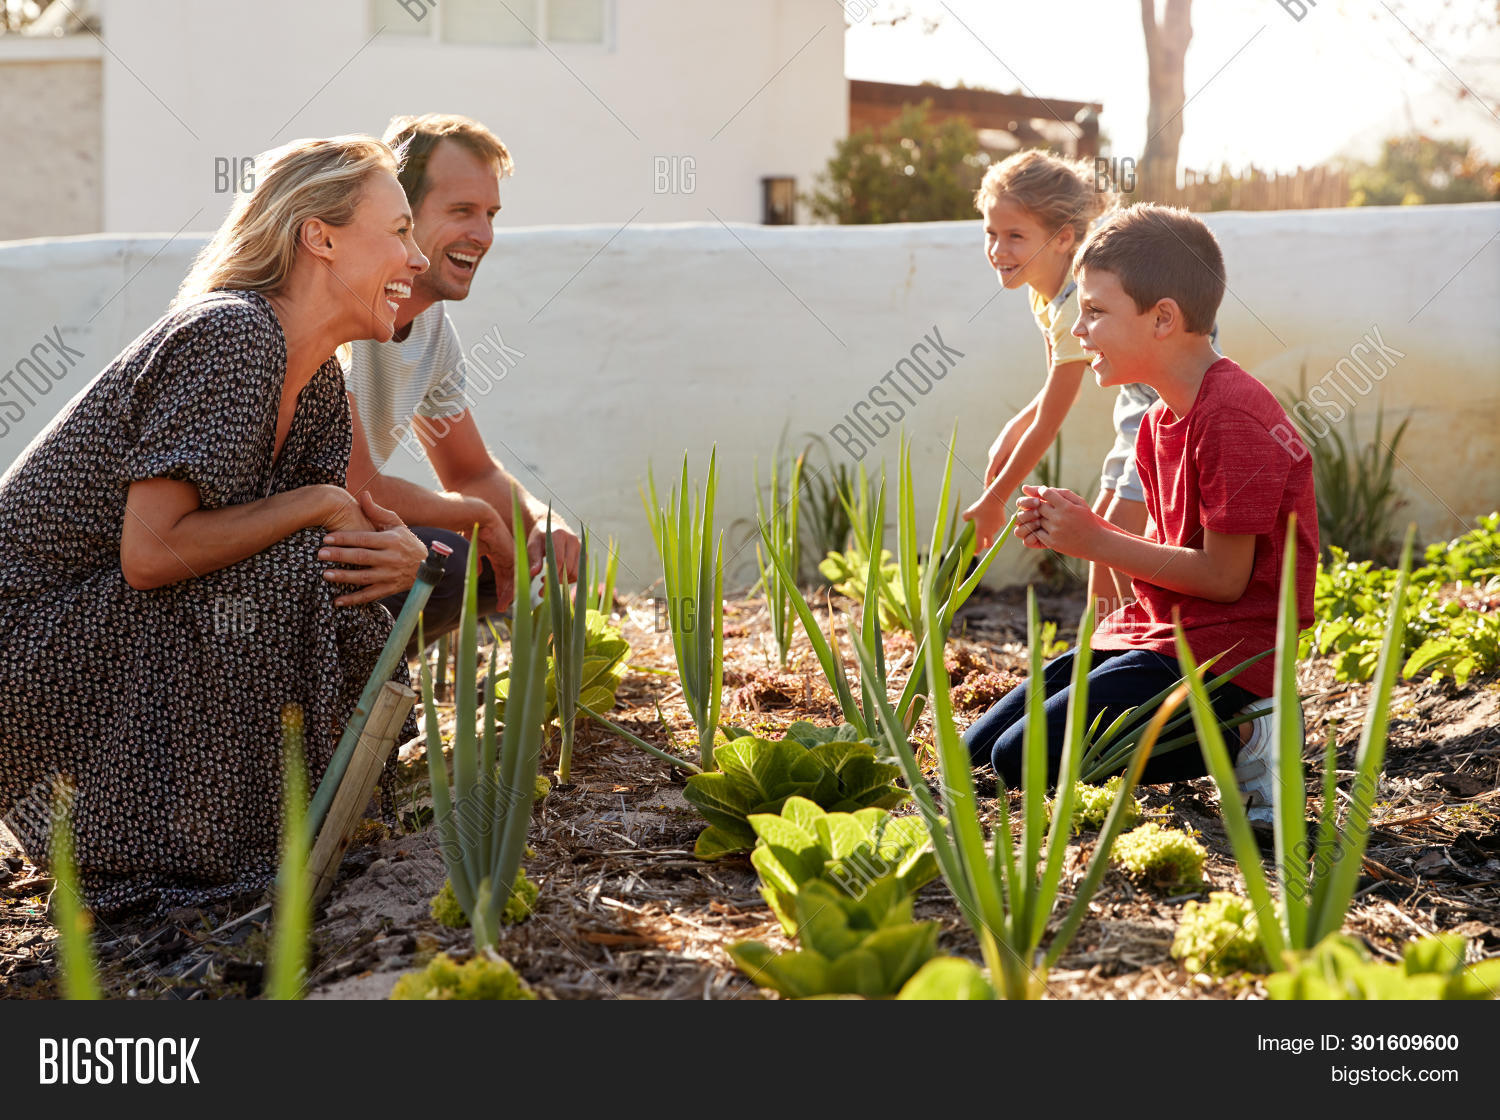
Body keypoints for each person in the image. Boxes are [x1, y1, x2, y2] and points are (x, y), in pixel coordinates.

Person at [0, 135, 430, 913]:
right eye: (399, 231)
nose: (419, 258)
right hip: (26, 653)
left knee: (332, 570)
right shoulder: (232, 335)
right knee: (296, 563)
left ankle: (299, 830)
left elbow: (335, 541)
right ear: (319, 236)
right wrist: (317, 508)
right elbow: (152, 552)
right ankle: (184, 845)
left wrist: (398, 554)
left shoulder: (320, 386)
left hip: (92, 639)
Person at [961, 204, 1317, 820]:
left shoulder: (1231, 417)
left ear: (1163, 319)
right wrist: (1080, 525)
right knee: (980, 750)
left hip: (1227, 662)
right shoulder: (1157, 423)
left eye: (1095, 312)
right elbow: (1166, 558)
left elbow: (1224, 579)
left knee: (1020, 759)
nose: (1078, 330)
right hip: (1163, 637)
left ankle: (1248, 735)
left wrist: (1094, 541)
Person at [338, 113, 582, 650]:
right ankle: (340, 713)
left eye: (491, 213)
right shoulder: (342, 311)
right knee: (448, 565)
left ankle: (373, 704)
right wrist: (477, 518)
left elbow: (470, 471)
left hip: (343, 537)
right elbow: (354, 486)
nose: (484, 234)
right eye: (461, 211)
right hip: (279, 556)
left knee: (510, 554)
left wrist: (541, 522)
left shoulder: (430, 328)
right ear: (398, 215)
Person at [960, 150, 1157, 619]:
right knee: (1106, 529)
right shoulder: (1043, 294)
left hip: (1165, 407)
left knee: (1118, 529)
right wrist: (1013, 427)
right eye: (991, 233)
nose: (998, 250)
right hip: (1136, 408)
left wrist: (995, 501)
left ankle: (1130, 657)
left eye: (1015, 236)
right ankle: (1100, 651)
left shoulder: (1074, 304)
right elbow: (1054, 382)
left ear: (1063, 238)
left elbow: (1052, 419)